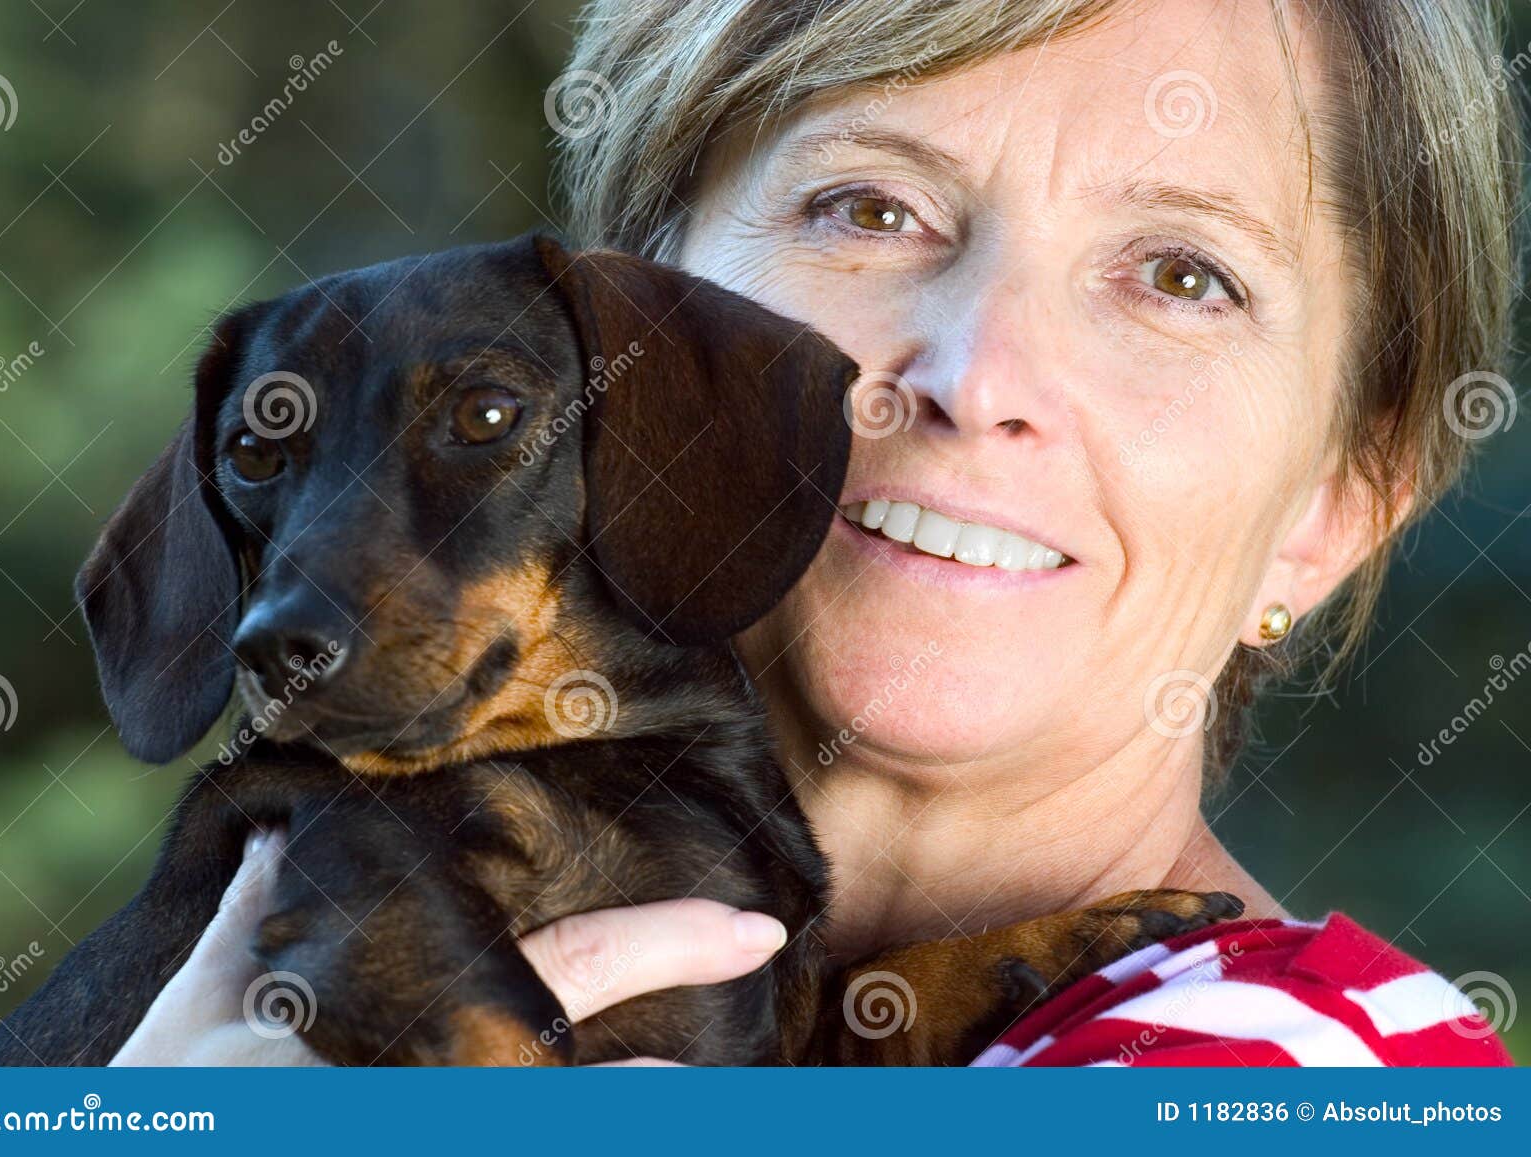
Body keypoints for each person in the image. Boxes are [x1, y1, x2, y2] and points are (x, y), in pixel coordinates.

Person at [113, 0, 1521, 1065]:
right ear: (638, 322)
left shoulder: (1299, 1068)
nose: (977, 380)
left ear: (1339, 502)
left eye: (1180, 274)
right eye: (871, 206)